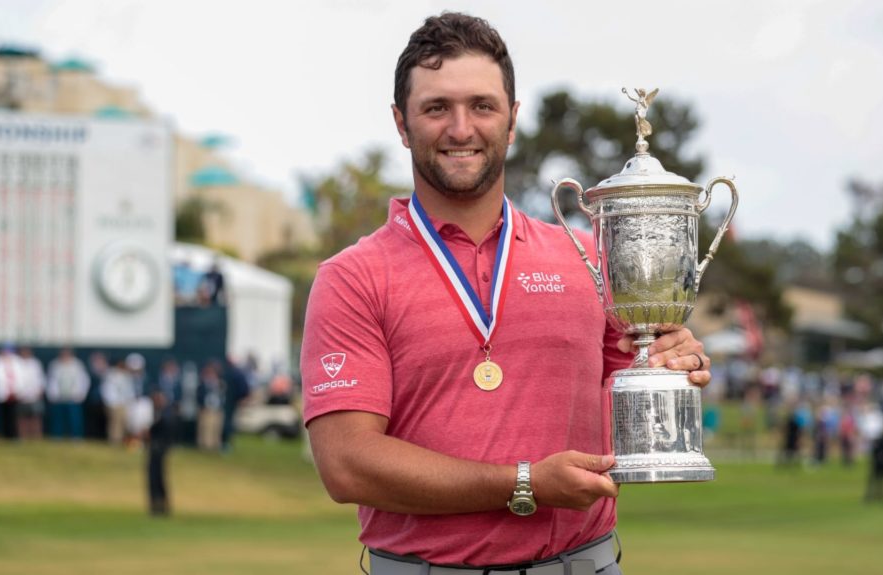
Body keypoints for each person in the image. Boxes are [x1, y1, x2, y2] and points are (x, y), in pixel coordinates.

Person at [300, 13, 712, 574]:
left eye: (483, 106)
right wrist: (524, 483)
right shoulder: (353, 277)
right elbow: (347, 465)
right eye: (436, 107)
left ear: (513, 120)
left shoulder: (589, 257)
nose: (461, 128)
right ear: (401, 123)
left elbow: (629, 399)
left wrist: (667, 360)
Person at [146, 359, 181, 515]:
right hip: (155, 449)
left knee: (158, 478)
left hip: (160, 449)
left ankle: (161, 505)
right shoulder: (157, 413)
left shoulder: (166, 415)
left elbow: (163, 431)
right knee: (152, 479)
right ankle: (155, 505)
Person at [46, 348, 91, 440]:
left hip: (73, 397)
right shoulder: (55, 365)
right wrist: (51, 394)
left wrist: (81, 393)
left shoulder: (77, 365)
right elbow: (50, 380)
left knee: (74, 419)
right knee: (58, 419)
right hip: (58, 397)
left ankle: (76, 436)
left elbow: (84, 380)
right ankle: (57, 436)